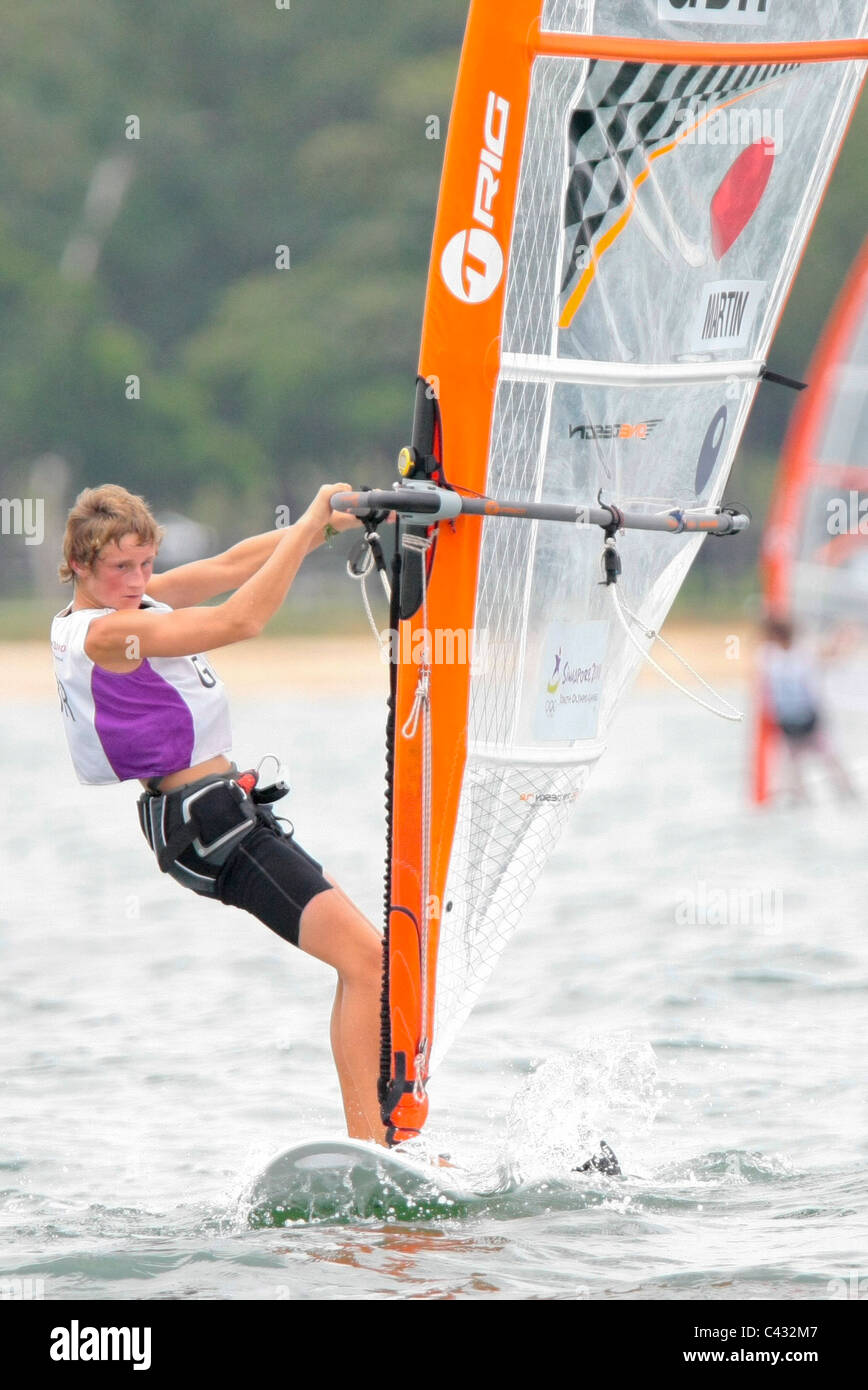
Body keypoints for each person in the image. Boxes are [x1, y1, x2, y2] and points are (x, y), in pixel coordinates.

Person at [51, 483, 388, 1145]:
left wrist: (336, 525)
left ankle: (383, 1134)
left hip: (219, 817)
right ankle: (370, 1146)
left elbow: (234, 565)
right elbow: (241, 619)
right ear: (80, 567)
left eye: (147, 564)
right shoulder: (108, 632)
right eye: (122, 569)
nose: (139, 580)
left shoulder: (131, 599)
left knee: (370, 959)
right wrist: (314, 513)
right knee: (366, 960)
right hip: (208, 830)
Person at [759, 614, 855, 802]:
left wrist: (843, 638)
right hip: (788, 720)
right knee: (796, 766)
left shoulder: (800, 652)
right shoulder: (768, 655)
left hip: (809, 718)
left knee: (828, 759)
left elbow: (830, 655)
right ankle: (803, 801)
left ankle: (847, 794)